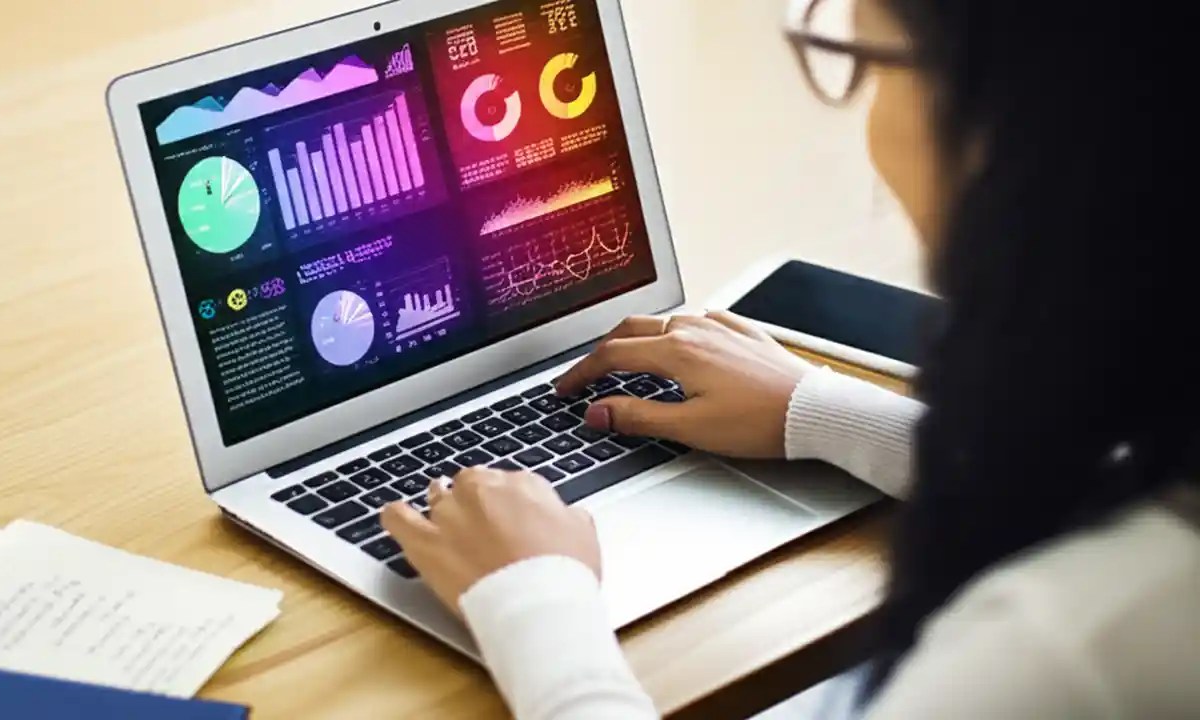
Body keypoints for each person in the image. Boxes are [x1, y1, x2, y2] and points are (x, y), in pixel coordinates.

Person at [381, 0, 1199, 716]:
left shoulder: (1066, 656)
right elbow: (1106, 487)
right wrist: (822, 408)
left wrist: (534, 603)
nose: (874, 143)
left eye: (873, 64)